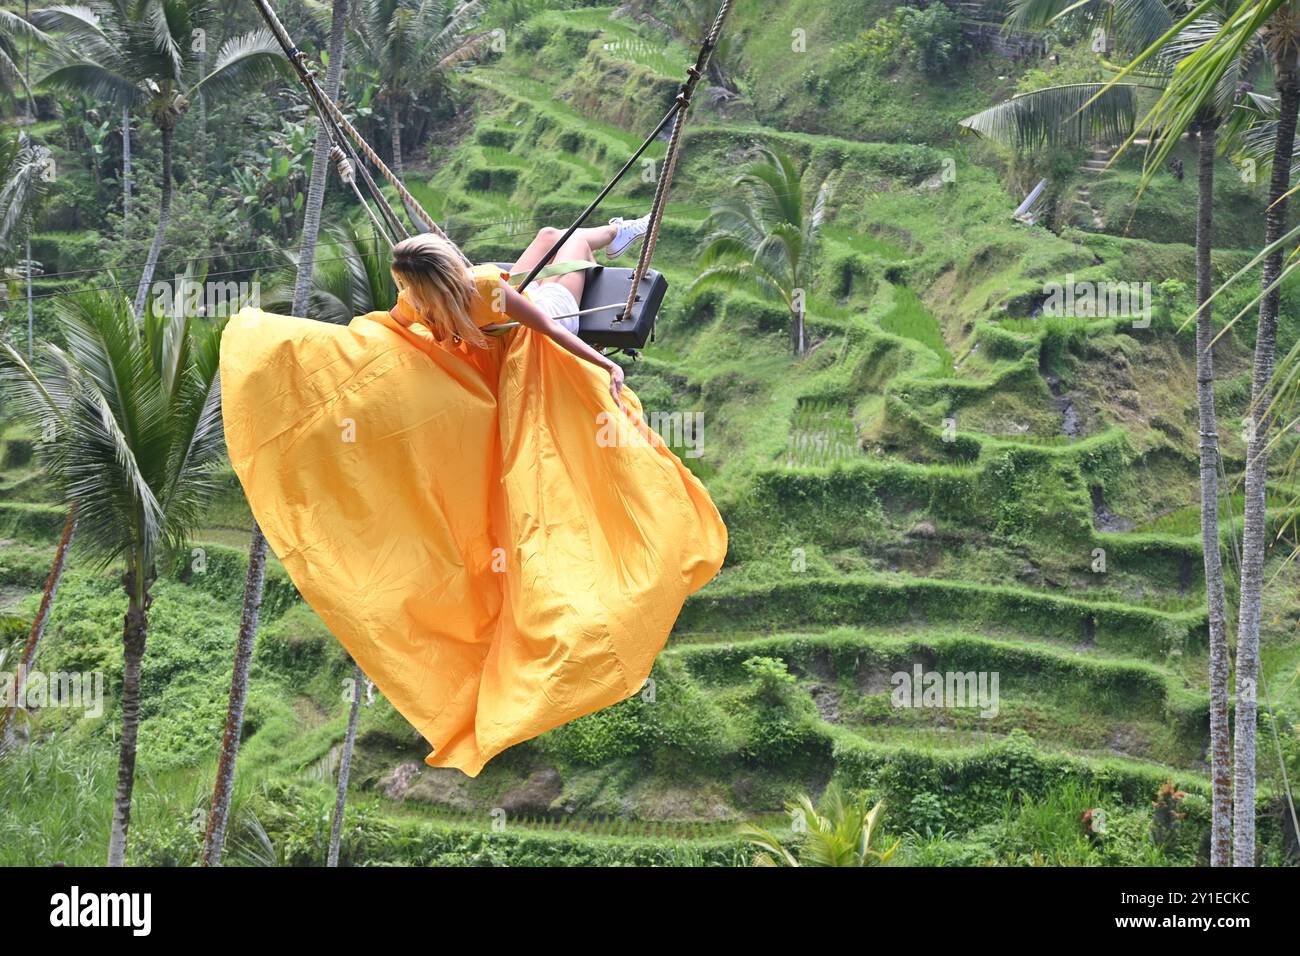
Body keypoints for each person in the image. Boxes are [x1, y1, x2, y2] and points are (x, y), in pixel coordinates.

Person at [218, 216, 727, 777]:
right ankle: (603, 231)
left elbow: (551, 330)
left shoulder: (483, 289)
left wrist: (604, 363)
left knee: (573, 246)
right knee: (550, 235)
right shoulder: (427, 299)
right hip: (503, 338)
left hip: (538, 329)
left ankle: (616, 231)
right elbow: (387, 329)